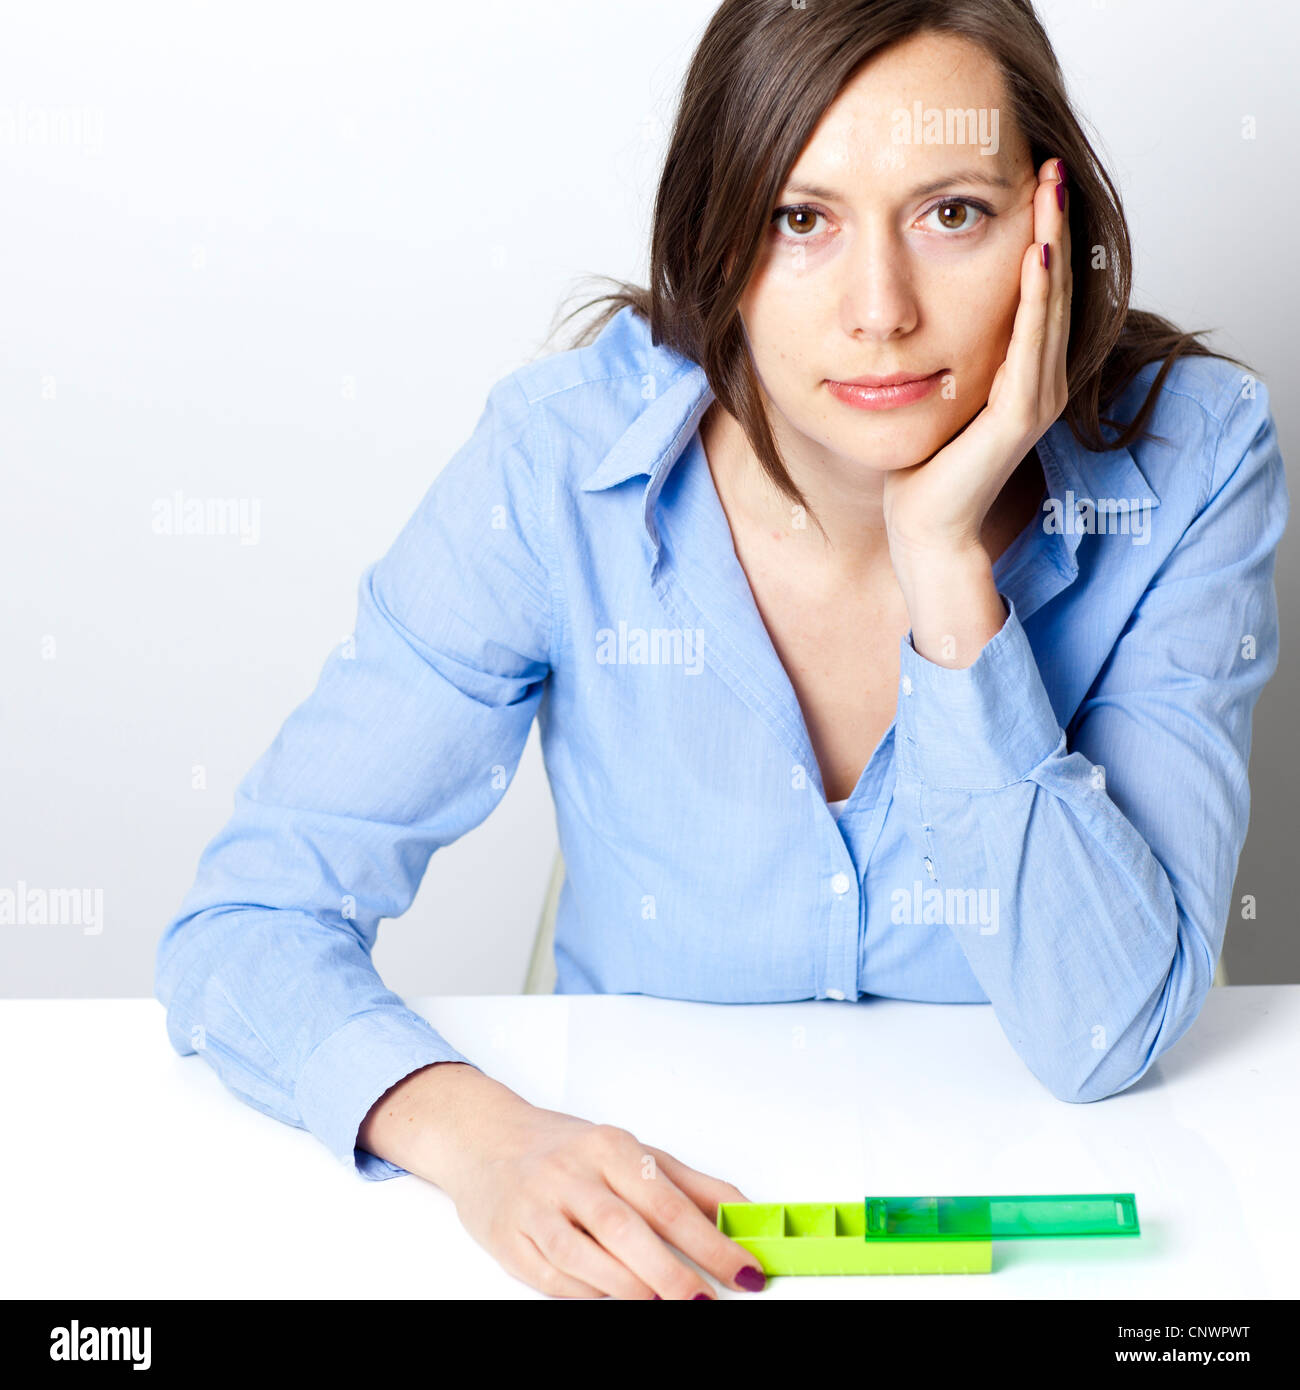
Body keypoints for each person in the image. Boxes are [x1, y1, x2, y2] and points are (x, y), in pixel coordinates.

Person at [155, 0, 1287, 1300]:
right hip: (652, 1248)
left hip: (1024, 1260)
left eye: (951, 214)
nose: (881, 312)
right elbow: (245, 921)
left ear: (1049, 224)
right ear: (718, 231)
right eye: (802, 220)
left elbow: (1109, 1029)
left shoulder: (1193, 462)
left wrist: (945, 568)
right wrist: (483, 1141)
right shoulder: (559, 465)